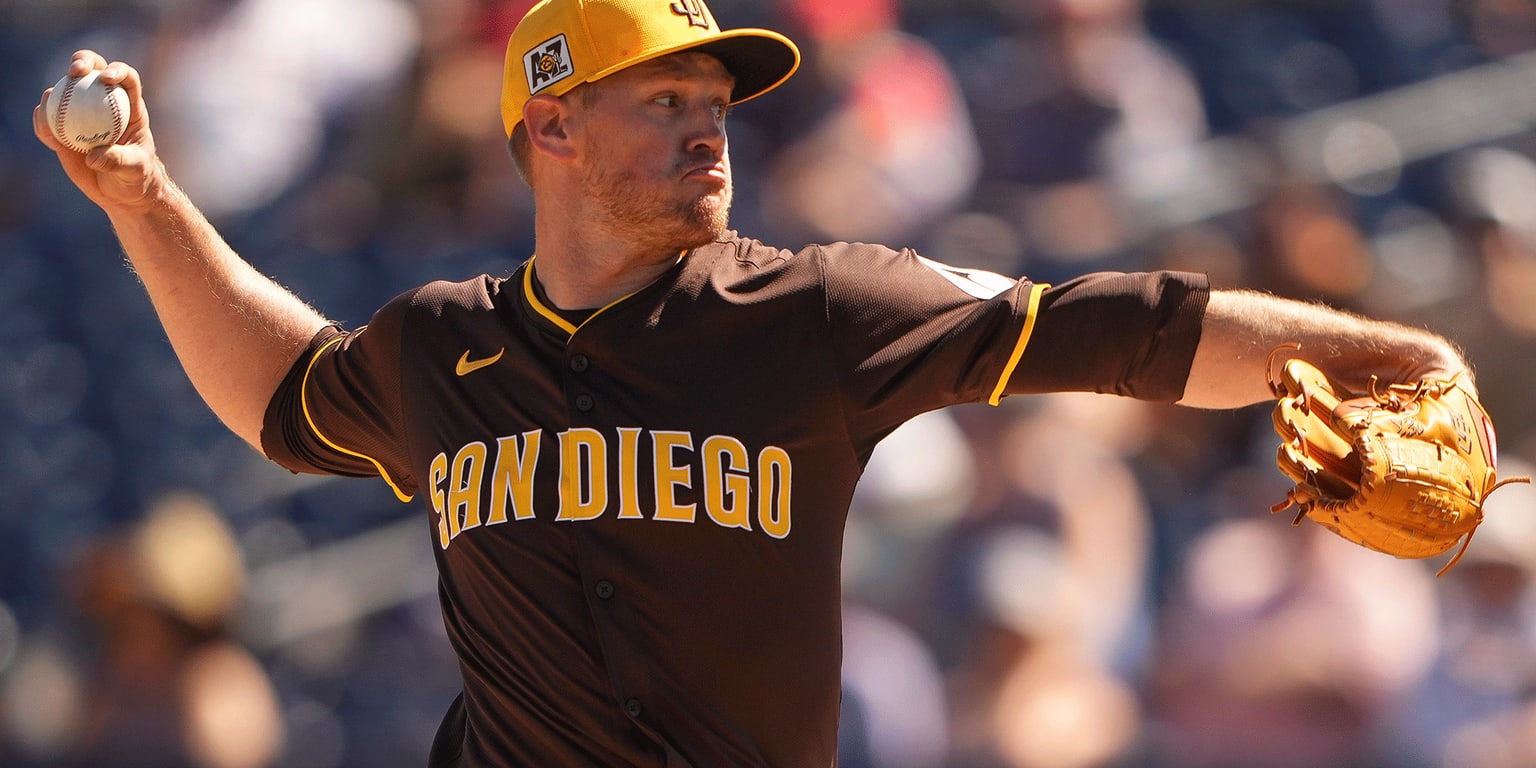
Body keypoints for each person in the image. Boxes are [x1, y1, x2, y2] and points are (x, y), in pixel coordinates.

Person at [34, 0, 1478, 765]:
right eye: (665, 101)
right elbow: (284, 394)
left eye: (717, 105)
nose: (709, 131)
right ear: (551, 126)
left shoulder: (819, 309)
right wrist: (144, 200)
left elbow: (1124, 331)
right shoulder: (443, 345)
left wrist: (1389, 359)